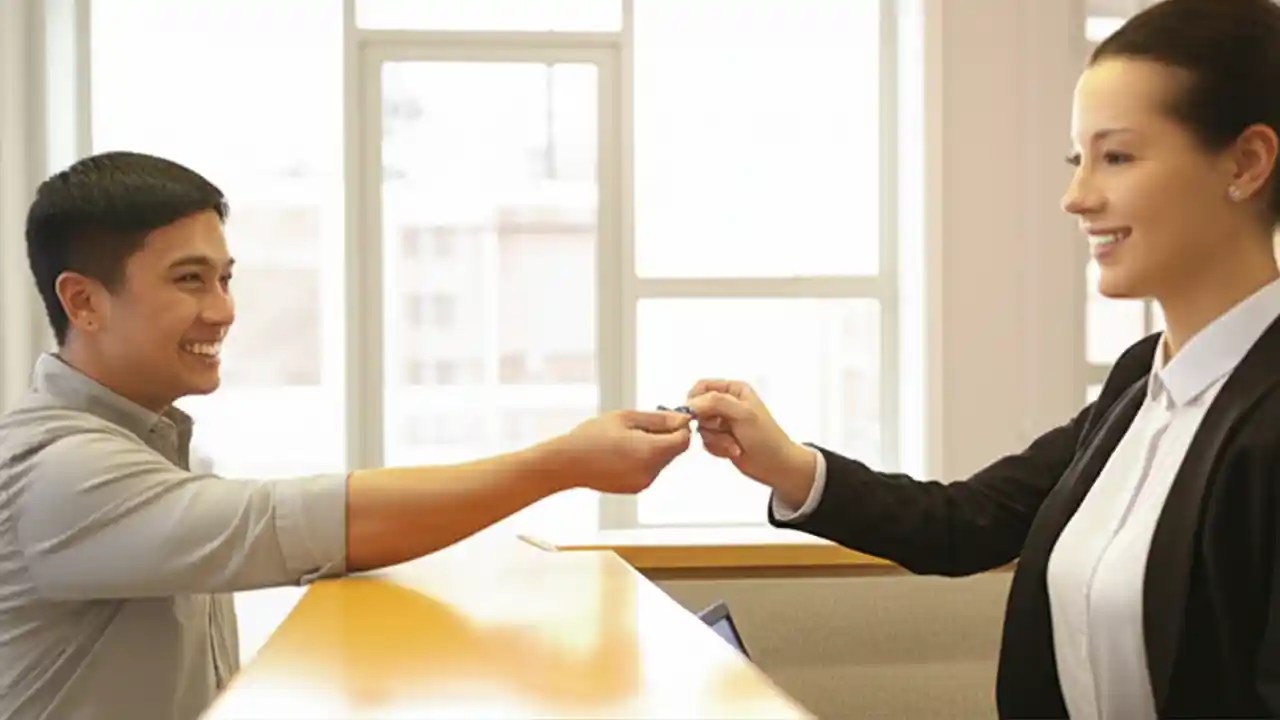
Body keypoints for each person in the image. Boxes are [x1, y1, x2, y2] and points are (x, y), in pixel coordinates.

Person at [685, 0, 1280, 717]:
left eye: (1116, 156)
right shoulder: (1141, 381)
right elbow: (965, 522)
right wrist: (785, 464)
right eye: (1078, 159)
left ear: (1246, 163)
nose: (1076, 197)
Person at [0, 151, 693, 719]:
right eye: (190, 281)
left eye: (225, 278)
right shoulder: (60, 471)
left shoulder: (150, 443)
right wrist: (564, 462)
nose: (223, 310)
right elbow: (295, 524)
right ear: (84, 302)